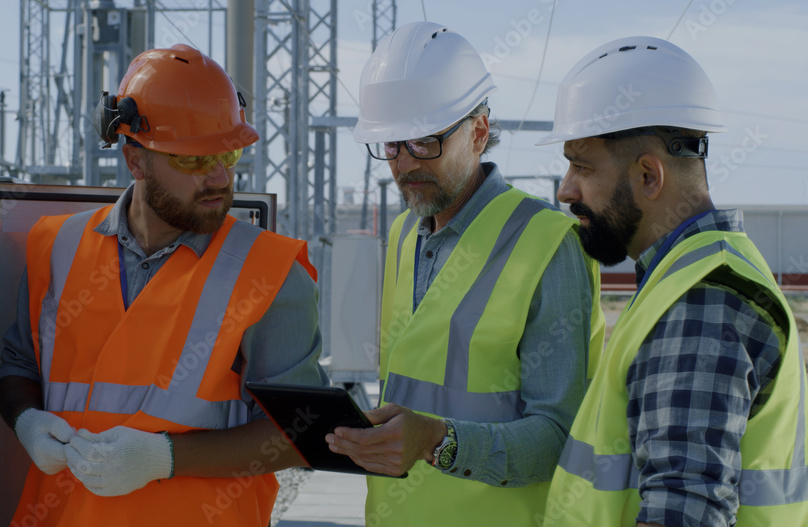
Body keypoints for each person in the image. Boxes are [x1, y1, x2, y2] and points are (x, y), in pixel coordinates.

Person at [0, 44, 327, 526]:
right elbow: (18, 366)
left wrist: (164, 458)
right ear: (135, 160)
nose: (219, 178)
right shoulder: (56, 246)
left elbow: (300, 433)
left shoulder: (270, 272)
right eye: (193, 161)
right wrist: (26, 419)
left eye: (228, 154)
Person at [325, 22, 605, 526]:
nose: (404, 164)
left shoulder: (548, 244)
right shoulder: (404, 235)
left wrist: (437, 441)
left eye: (423, 142)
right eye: (390, 145)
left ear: (478, 133)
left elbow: (559, 436)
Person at [537, 36, 808, 526]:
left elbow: (682, 511)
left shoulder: (701, 302)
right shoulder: (703, 272)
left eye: (581, 165)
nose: (566, 190)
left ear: (648, 176)